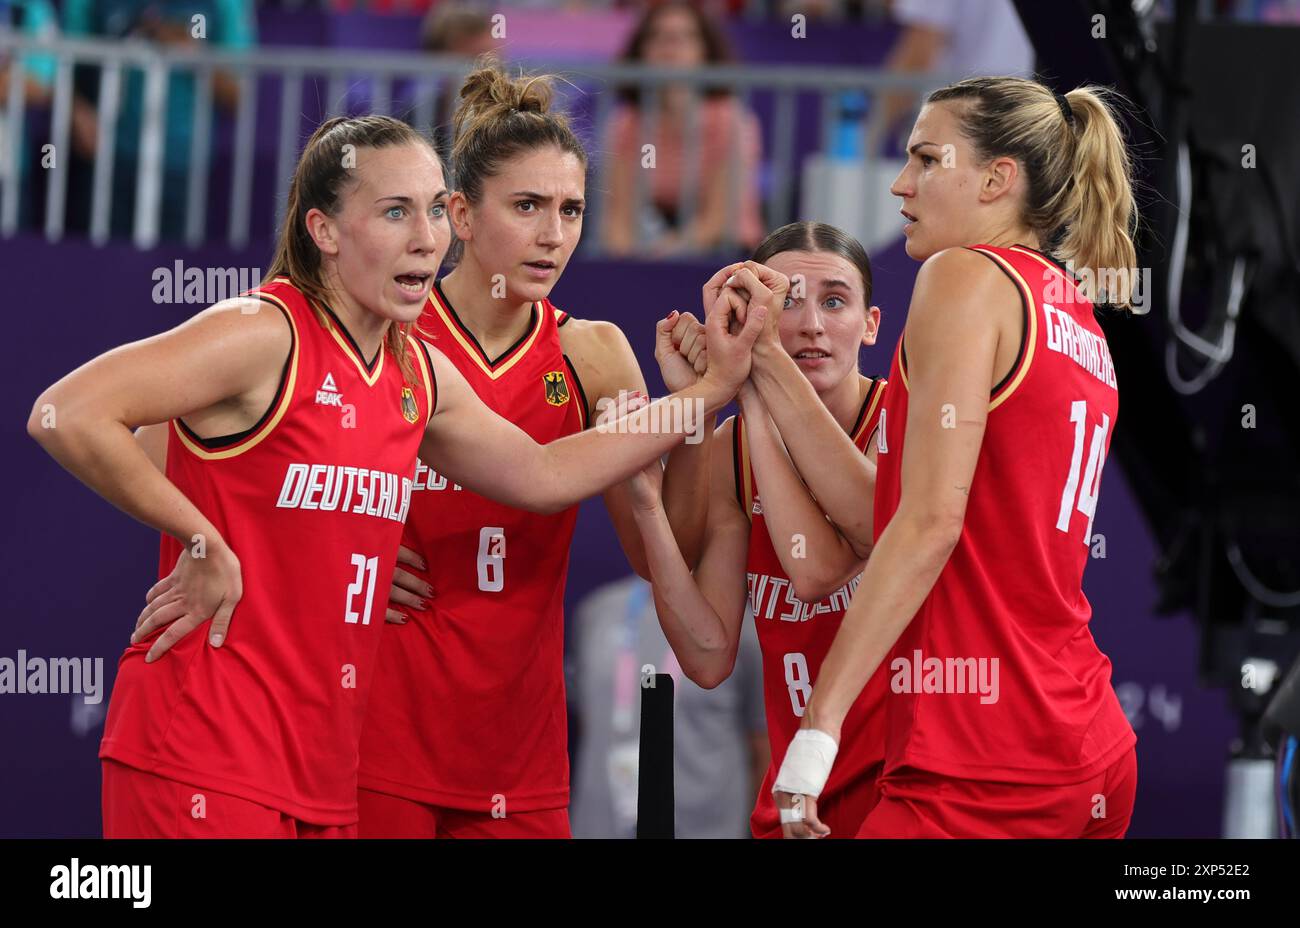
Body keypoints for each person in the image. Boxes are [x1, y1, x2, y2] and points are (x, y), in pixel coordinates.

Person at [27, 113, 764, 838]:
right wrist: (198, 537)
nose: (425, 237)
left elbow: (544, 473)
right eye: (395, 213)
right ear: (324, 231)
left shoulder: (417, 369)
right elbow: (70, 413)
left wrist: (703, 397)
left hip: (324, 768)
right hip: (209, 744)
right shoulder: (264, 329)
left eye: (430, 211)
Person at [770, 77, 1140, 838]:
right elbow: (897, 517)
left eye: (927, 159)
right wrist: (763, 370)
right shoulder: (1076, 313)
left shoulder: (963, 275)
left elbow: (931, 522)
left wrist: (819, 726)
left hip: (985, 760)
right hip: (1085, 742)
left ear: (999, 179)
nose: (902, 184)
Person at [355, 63, 712, 839]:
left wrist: (693, 420)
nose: (554, 235)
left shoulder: (595, 354)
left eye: (572, 209)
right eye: (527, 206)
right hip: (375, 739)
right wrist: (336, 564)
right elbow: (243, 466)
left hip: (519, 757)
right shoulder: (384, 332)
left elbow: (660, 558)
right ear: (460, 215)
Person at [624, 221, 892, 838]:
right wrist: (647, 503)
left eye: (834, 301)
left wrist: (751, 388)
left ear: (870, 324)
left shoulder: (902, 424)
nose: (810, 326)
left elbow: (815, 573)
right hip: (796, 796)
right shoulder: (734, 450)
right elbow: (707, 655)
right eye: (787, 301)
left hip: (903, 785)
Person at [568, 575, 769, 839]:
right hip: (600, 825)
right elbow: (587, 720)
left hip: (706, 829)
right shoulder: (598, 612)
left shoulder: (741, 630)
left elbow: (763, 745)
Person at [600, 0, 764, 257]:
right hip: (647, 251)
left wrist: (664, 254)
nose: (671, 47)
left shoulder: (731, 120)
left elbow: (717, 221)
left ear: (705, 51)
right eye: (659, 36)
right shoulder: (626, 122)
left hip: (723, 254)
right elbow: (617, 219)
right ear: (641, 50)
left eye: (685, 36)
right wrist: (626, 264)